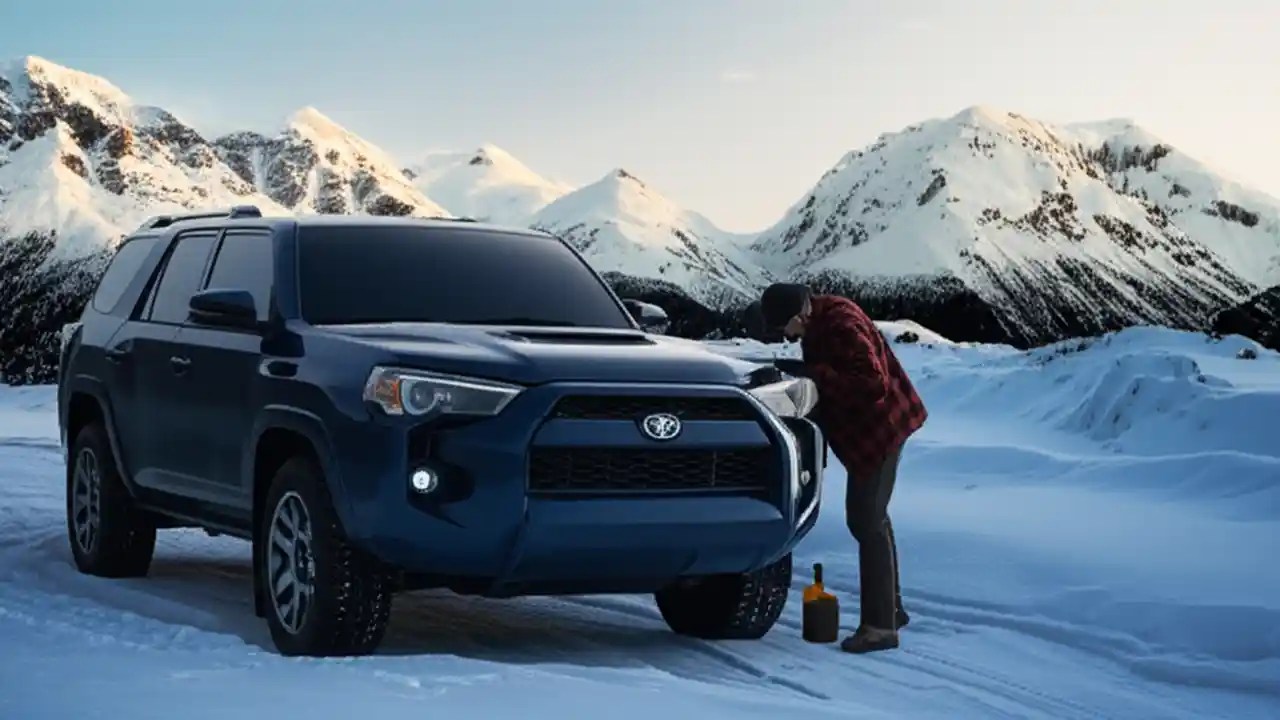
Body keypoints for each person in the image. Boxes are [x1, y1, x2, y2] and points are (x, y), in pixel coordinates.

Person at [758, 283, 927, 654]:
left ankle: (880, 628)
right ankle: (891, 609)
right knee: (873, 518)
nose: (784, 337)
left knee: (865, 520)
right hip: (872, 431)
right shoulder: (822, 320)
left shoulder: (840, 325)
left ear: (799, 315)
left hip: (882, 430)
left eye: (783, 329)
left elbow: (872, 383)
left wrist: (815, 375)